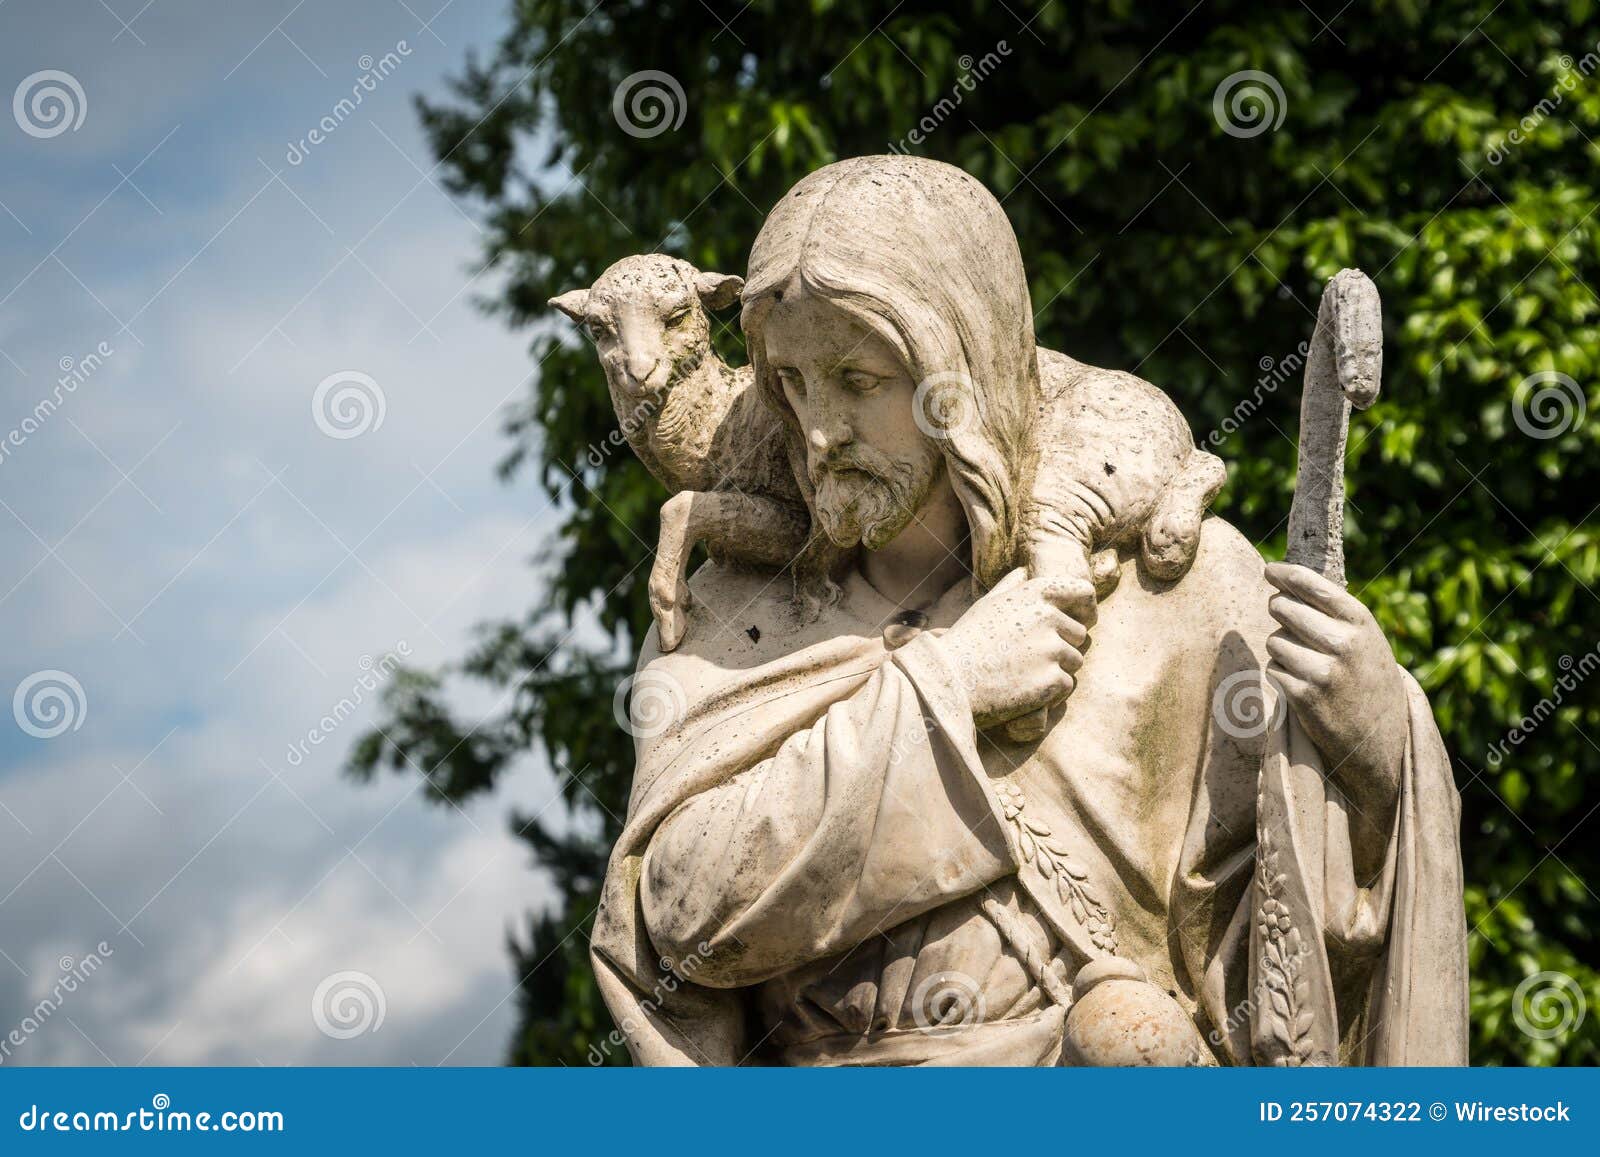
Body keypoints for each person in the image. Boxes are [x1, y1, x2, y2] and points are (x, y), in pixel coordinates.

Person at [590, 156, 1467, 1066]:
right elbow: (683, 913)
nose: (818, 432)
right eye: (792, 383)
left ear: (958, 369)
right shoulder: (731, 619)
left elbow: (1284, 973)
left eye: (858, 381)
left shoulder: (1179, 592)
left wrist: (1373, 763)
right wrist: (951, 683)